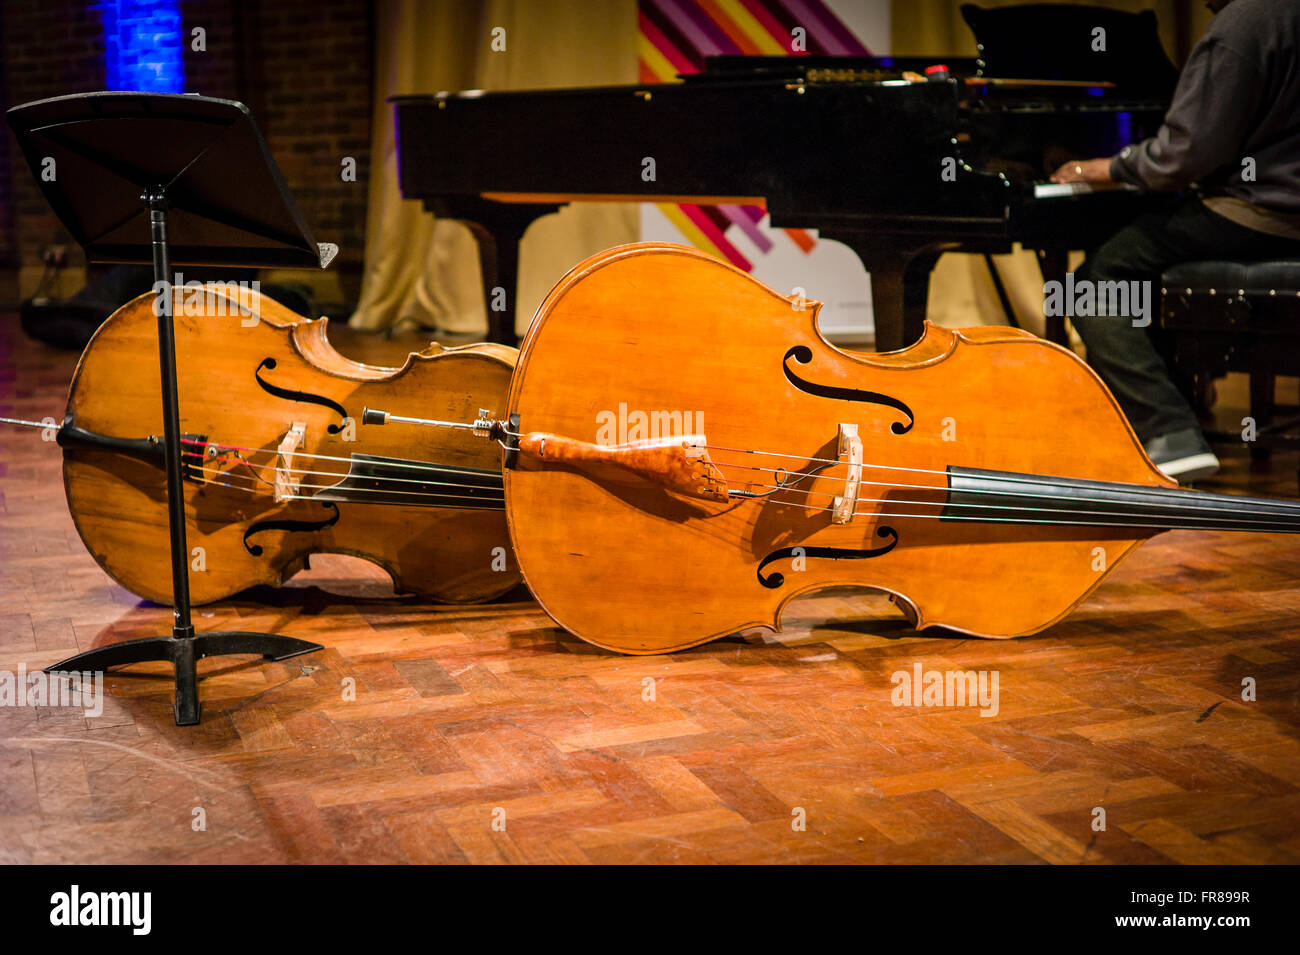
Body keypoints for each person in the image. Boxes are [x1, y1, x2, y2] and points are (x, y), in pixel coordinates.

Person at [1050, 0, 1300, 483]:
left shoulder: (1245, 22)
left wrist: (1110, 166)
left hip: (1257, 215)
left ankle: (1171, 432)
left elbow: (1185, 154)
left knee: (1097, 279)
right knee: (1151, 247)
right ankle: (1182, 400)